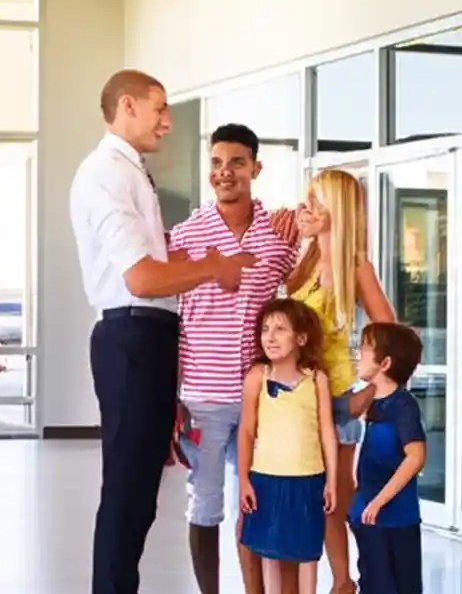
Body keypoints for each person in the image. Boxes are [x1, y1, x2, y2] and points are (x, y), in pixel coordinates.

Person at [69, 69, 257, 594]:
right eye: (159, 109)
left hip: (146, 340)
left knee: (138, 496)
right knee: (128, 495)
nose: (168, 122)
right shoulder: (107, 173)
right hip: (131, 337)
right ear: (127, 106)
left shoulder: (132, 171)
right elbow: (143, 277)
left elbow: (156, 260)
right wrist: (214, 269)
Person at [167, 123, 299, 594]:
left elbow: (297, 295)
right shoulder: (185, 235)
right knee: (204, 505)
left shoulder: (280, 236)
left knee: (257, 502)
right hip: (201, 398)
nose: (225, 173)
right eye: (217, 163)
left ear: (256, 168)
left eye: (237, 163)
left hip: (259, 398)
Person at [284, 169, 396, 594]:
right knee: (301, 491)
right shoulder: (306, 260)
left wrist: (368, 389)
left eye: (315, 201)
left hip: (333, 400)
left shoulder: (355, 265)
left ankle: (345, 580)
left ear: (337, 210)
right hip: (296, 398)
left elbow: (391, 334)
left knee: (334, 496)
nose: (305, 209)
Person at [237, 297, 338, 594]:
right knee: (268, 552)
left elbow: (326, 431)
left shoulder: (317, 379)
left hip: (308, 478)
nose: (270, 336)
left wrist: (331, 480)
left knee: (307, 550)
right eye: (266, 328)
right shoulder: (257, 376)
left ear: (301, 338)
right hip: (266, 477)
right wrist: (244, 480)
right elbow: (245, 431)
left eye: (280, 329)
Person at [348, 322, 426, 594]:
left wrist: (378, 502)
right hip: (369, 520)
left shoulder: (403, 406)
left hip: (394, 521)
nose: (359, 353)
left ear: (386, 363)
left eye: (366, 348)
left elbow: (415, 457)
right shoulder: (372, 404)